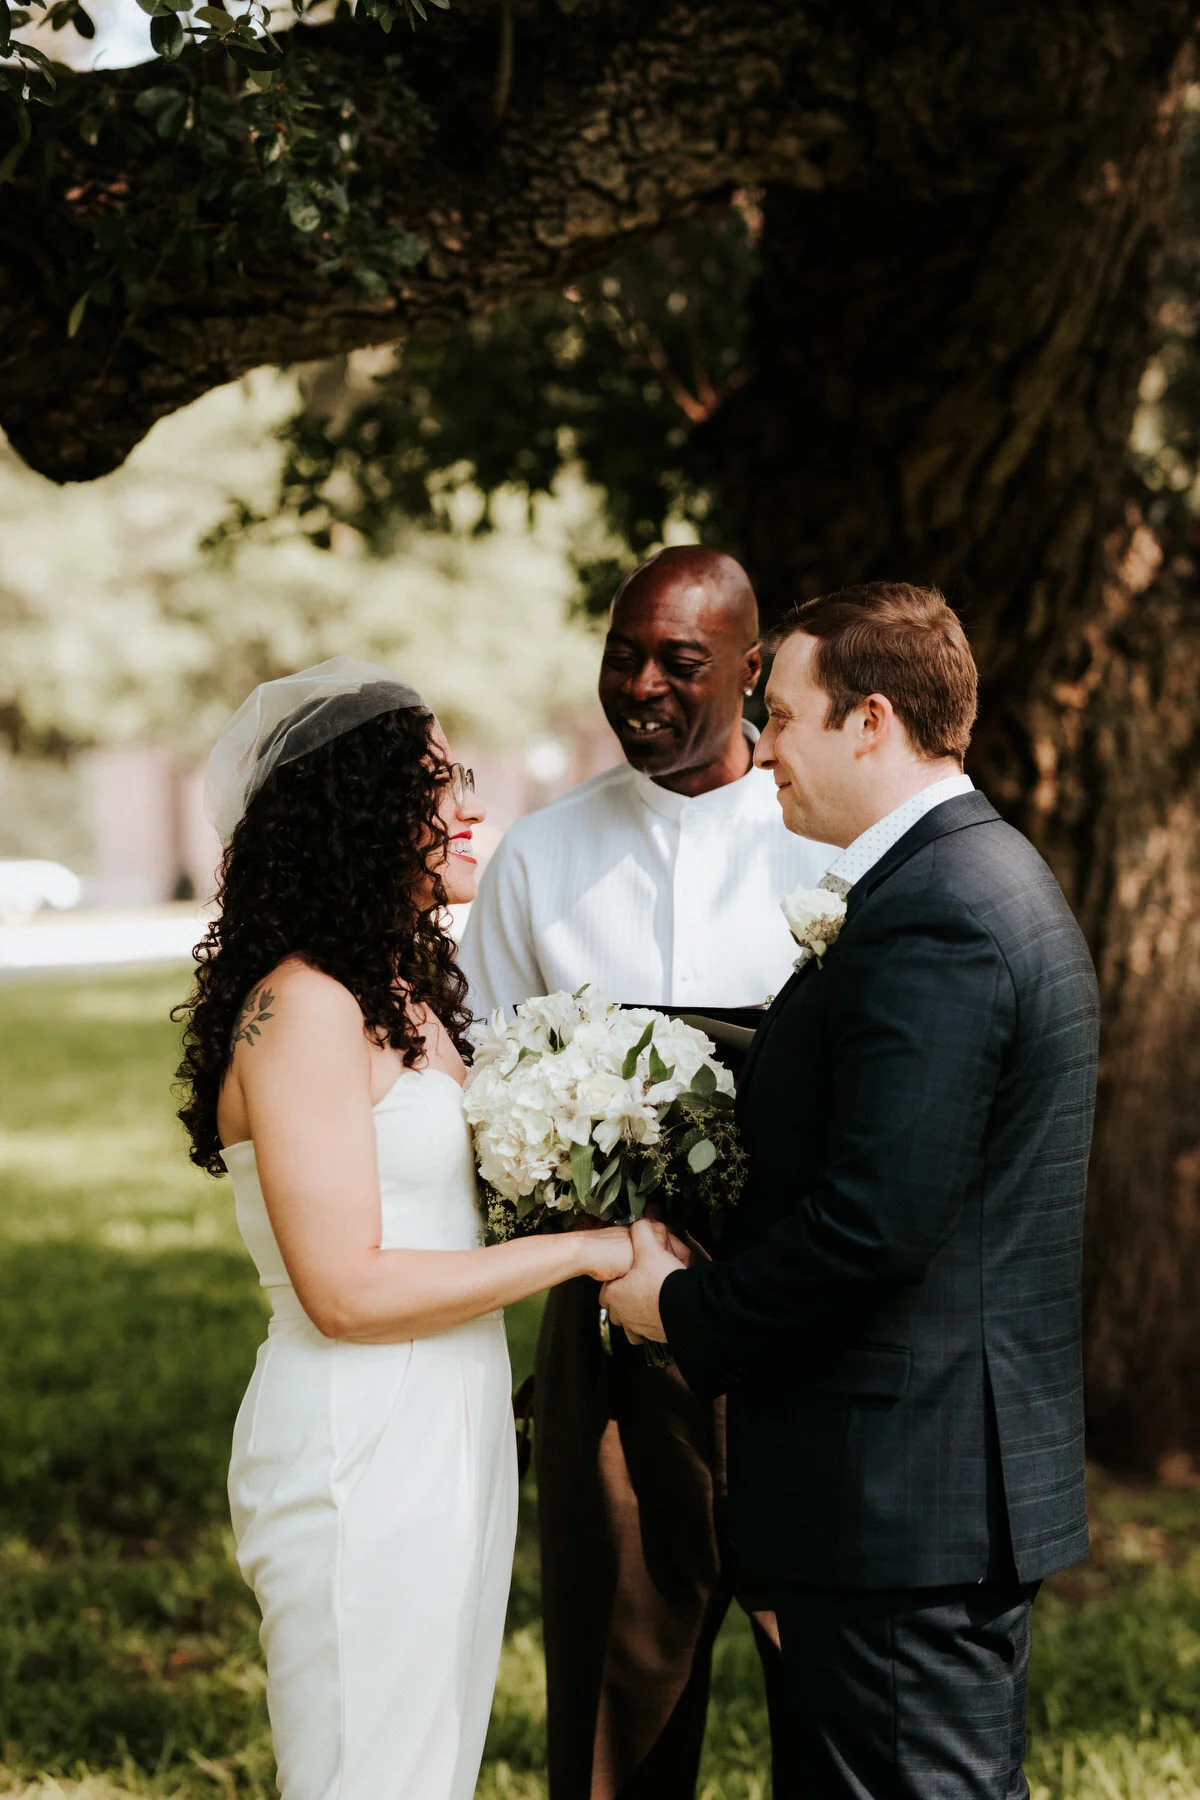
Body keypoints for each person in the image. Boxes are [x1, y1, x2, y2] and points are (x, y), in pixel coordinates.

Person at [602, 584, 1100, 1800]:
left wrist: (679, 1310)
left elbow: (874, 1223)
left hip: (903, 1501)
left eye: (782, 714)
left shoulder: (939, 913)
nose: (760, 742)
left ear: (869, 721)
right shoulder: (952, 879)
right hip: (907, 1490)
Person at [174, 657, 633, 1800]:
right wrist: (584, 1253)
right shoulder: (304, 1008)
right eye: (439, 783)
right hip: (357, 1436)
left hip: (451, 1420)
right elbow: (345, 1291)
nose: (469, 806)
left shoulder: (408, 998)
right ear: (360, 810)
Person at [460, 550, 834, 1800]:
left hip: (809, 1334)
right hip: (610, 1347)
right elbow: (482, 1085)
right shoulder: (539, 857)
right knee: (614, 1715)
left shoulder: (831, 843)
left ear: (752, 668)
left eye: (680, 662)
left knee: (835, 1709)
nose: (642, 687)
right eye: (623, 657)